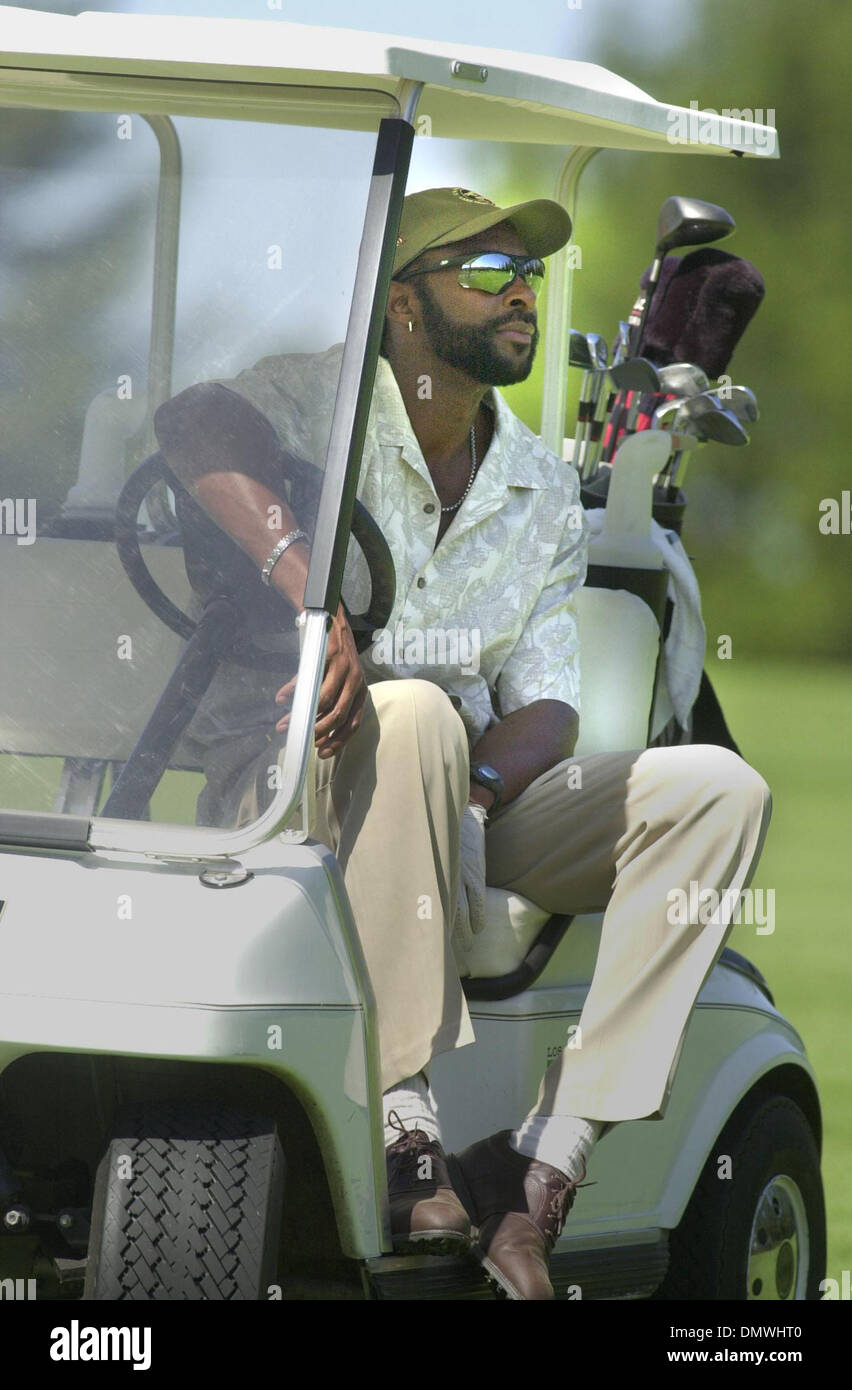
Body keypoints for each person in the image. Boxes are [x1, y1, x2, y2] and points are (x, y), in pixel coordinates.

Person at [154, 186, 772, 1301]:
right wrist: (315, 601)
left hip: (467, 786)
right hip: (296, 779)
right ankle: (405, 1131)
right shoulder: (324, 399)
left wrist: (483, 793)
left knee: (718, 789)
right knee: (420, 711)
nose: (521, 293)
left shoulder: (536, 481)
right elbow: (193, 421)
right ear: (402, 302)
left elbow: (548, 701)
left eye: (527, 274)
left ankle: (541, 1162)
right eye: (486, 273)